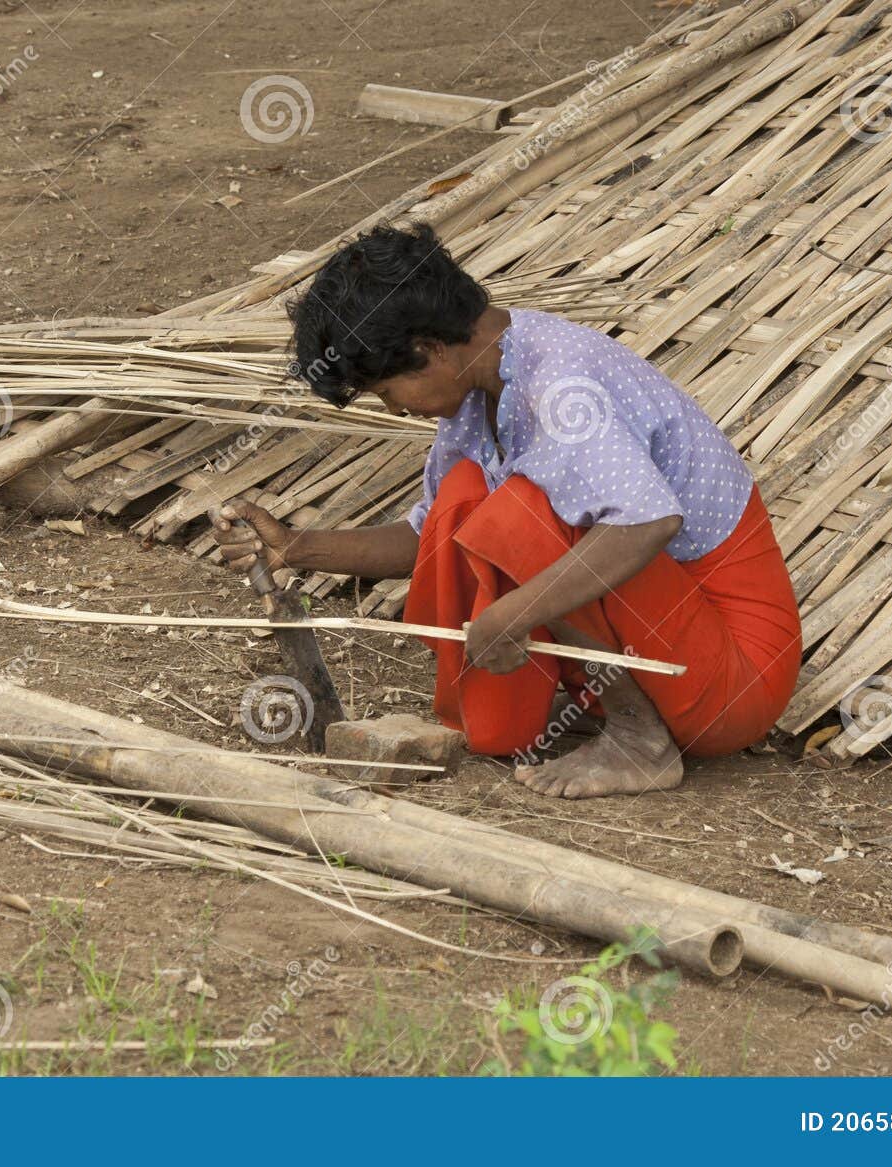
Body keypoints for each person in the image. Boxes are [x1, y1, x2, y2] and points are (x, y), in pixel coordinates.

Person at [211, 223, 801, 799]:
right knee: (465, 495)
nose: (394, 409)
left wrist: (515, 612)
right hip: (662, 654)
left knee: (521, 509)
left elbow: (647, 520)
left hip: (732, 681)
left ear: (429, 350)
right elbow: (435, 537)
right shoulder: (484, 384)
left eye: (388, 393)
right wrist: (295, 547)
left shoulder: (562, 385)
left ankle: (640, 742)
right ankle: (591, 705)